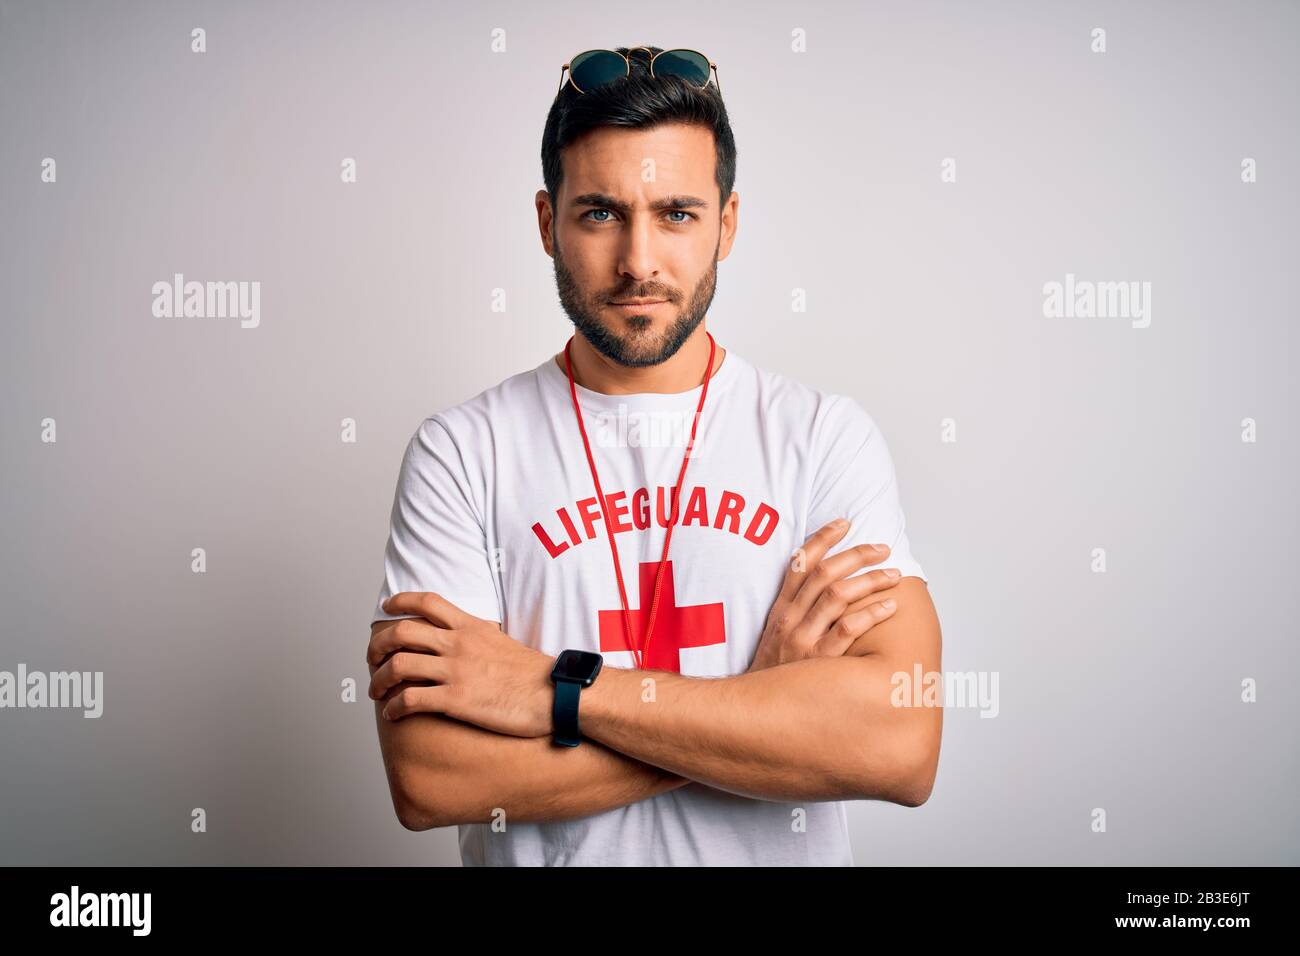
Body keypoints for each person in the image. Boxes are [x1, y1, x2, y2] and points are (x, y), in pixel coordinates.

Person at [366, 45, 943, 866]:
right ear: (546, 222)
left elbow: (900, 744)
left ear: (727, 223)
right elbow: (431, 779)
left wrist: (553, 693)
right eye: (601, 212)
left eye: (676, 213)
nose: (639, 260)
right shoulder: (462, 453)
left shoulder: (822, 439)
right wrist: (753, 709)